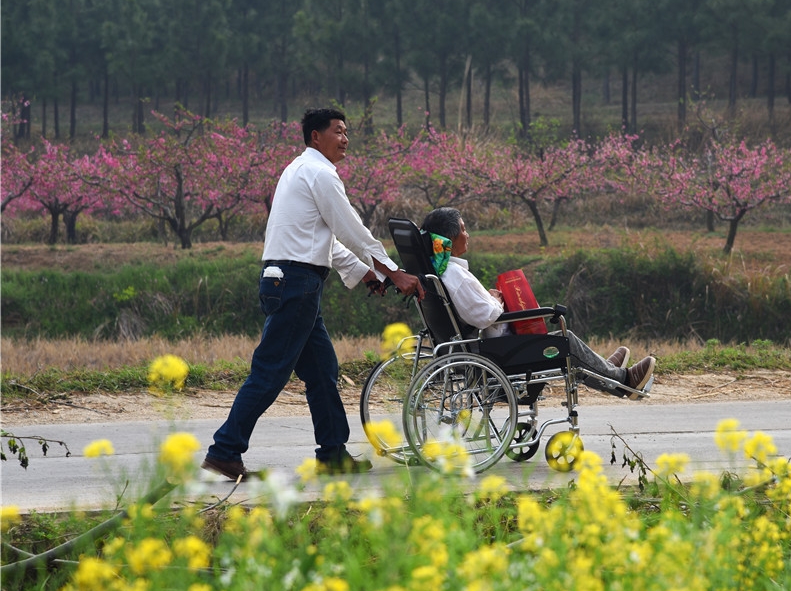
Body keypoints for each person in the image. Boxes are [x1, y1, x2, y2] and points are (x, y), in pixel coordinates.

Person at [202, 108, 424, 480]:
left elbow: (324, 239)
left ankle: (333, 453)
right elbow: (351, 230)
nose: (345, 139)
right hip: (296, 283)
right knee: (270, 371)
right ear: (316, 137)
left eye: (347, 132)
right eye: (338, 131)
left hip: (288, 281)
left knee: (322, 370)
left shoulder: (296, 170)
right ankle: (224, 450)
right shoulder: (321, 173)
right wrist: (394, 272)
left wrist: (364, 272)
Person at [420, 207, 655, 399]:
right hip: (497, 353)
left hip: (478, 350)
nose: (468, 234)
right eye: (463, 229)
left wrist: (490, 300)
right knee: (567, 340)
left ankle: (604, 370)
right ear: (449, 238)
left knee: (568, 346)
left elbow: (476, 309)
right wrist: (496, 301)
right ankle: (623, 380)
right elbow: (484, 316)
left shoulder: (440, 272)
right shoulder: (455, 276)